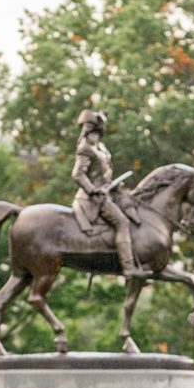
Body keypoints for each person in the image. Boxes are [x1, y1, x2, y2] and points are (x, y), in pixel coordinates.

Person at [71, 109, 143, 279]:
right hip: (94, 198)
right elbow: (78, 174)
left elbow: (104, 172)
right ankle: (128, 268)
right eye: (92, 130)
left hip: (109, 192)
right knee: (122, 222)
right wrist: (93, 190)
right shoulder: (85, 148)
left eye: (97, 131)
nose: (94, 134)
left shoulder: (100, 147)